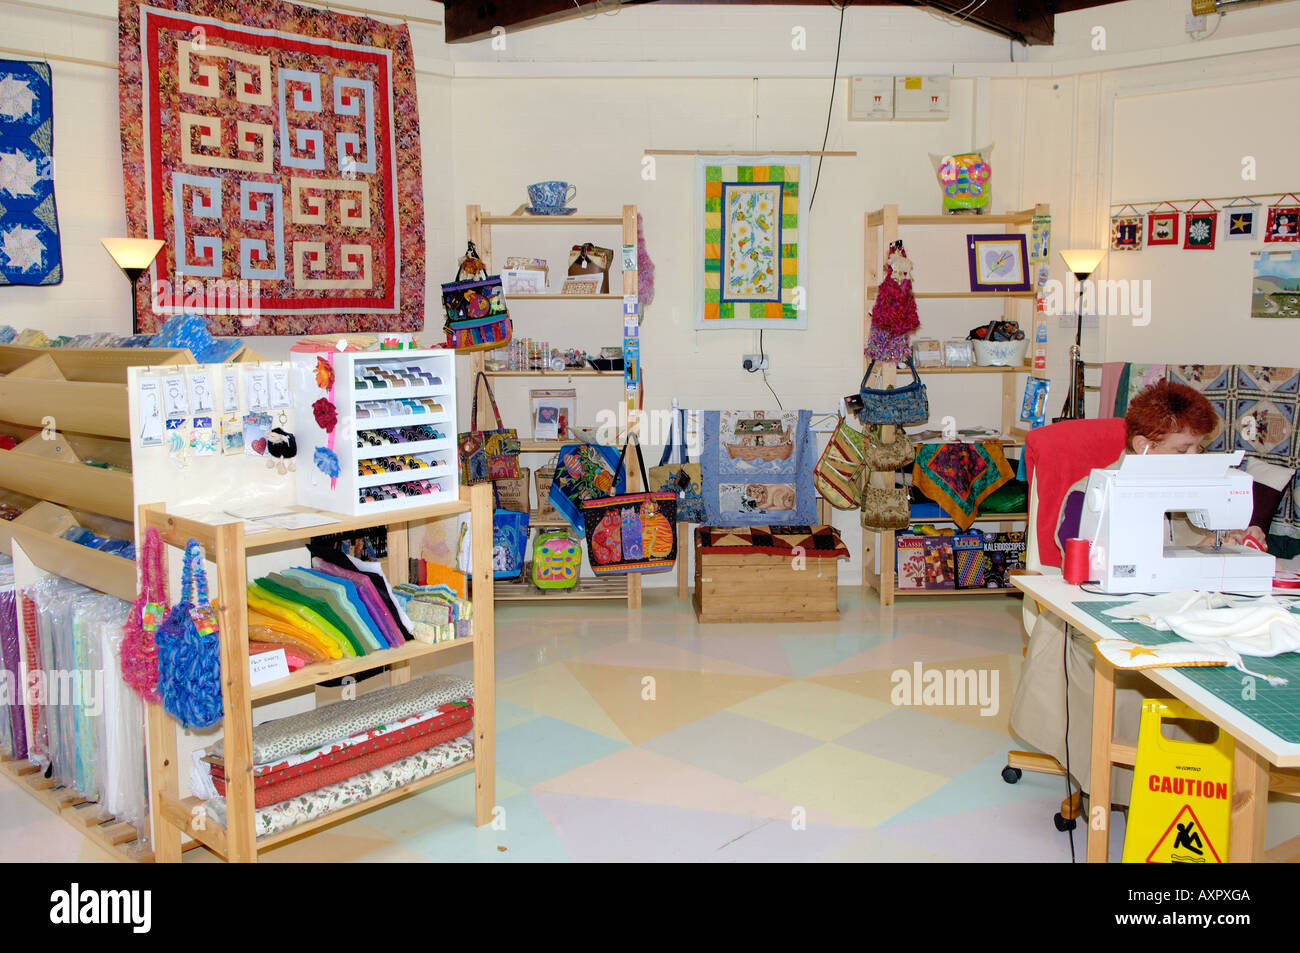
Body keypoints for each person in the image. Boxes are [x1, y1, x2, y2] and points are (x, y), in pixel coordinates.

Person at [1010, 381, 1269, 801]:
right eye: (1182, 449)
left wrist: (1234, 535)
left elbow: (1193, 539)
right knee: (1135, 671)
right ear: (1143, 446)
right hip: (1102, 622)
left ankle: (1207, 781)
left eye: (1199, 449)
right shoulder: (1088, 494)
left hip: (1177, 613)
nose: (1194, 459)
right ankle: (1136, 789)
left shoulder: (1185, 488)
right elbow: (1086, 569)